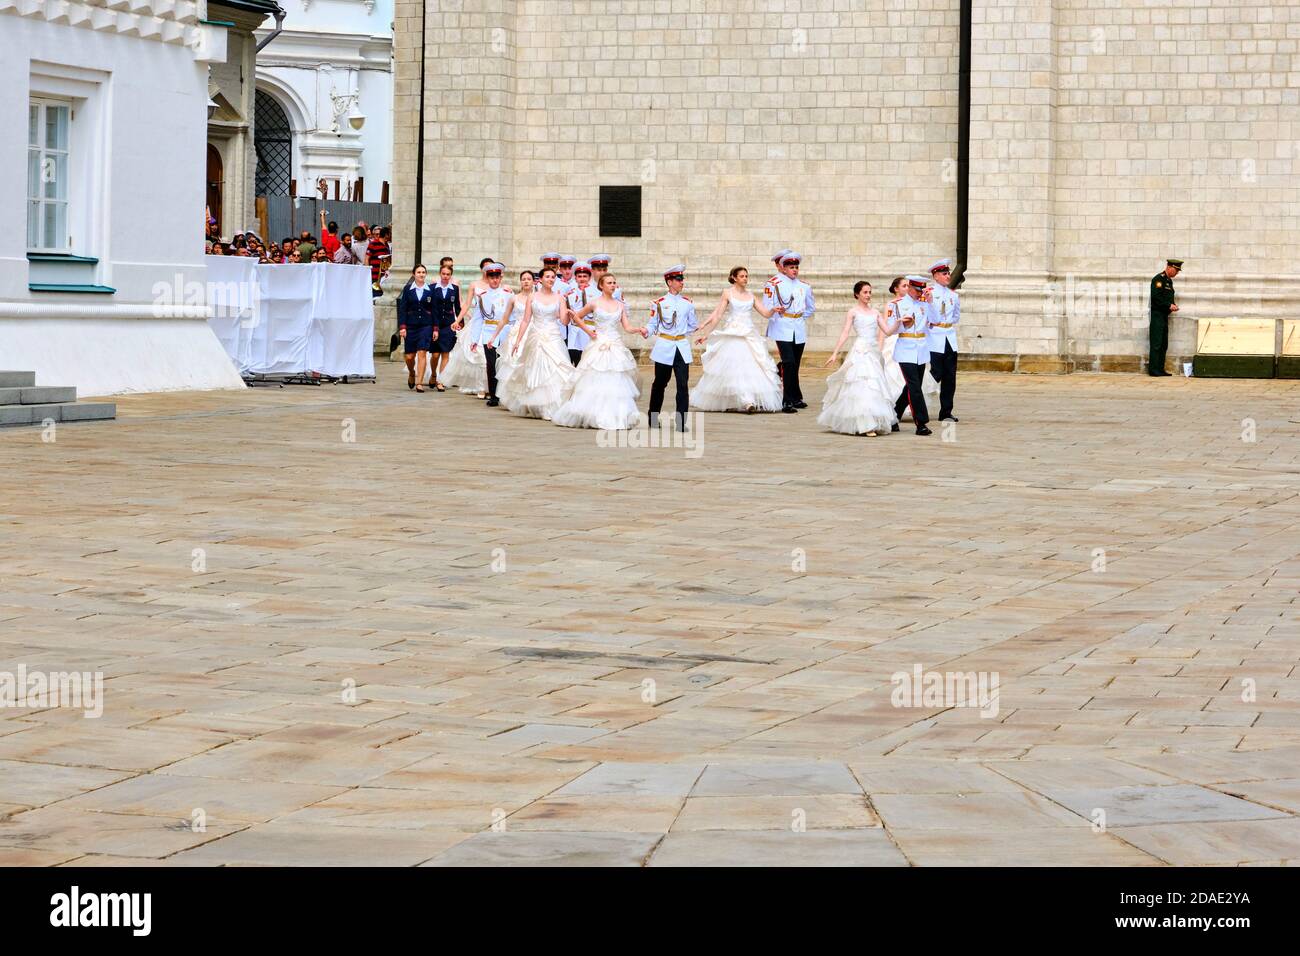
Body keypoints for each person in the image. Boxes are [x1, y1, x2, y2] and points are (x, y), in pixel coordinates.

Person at [552, 273, 648, 430]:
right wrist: (589, 332)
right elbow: (577, 318)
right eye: (609, 282)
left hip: (615, 343)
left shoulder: (620, 305)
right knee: (594, 376)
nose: (612, 285)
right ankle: (592, 413)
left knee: (616, 378)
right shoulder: (594, 303)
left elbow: (627, 327)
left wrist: (638, 329)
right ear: (601, 286)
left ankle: (615, 414)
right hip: (599, 342)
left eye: (614, 282)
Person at [691, 266, 783, 414]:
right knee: (734, 368)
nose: (745, 279)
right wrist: (706, 333)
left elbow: (765, 313)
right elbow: (718, 314)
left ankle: (749, 401)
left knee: (751, 367)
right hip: (733, 333)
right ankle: (744, 401)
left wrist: (773, 310)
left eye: (746, 276)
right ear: (734, 278)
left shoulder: (751, 295)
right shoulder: (728, 293)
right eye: (742, 276)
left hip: (748, 334)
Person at [819, 281, 899, 436]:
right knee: (860, 383)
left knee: (874, 385)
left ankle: (873, 422)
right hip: (860, 351)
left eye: (870, 292)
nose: (868, 295)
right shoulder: (853, 312)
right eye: (865, 292)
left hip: (873, 351)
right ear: (857, 294)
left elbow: (888, 331)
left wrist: (898, 323)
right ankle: (866, 425)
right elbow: (845, 333)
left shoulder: (875, 312)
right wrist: (835, 352)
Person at [505, 266, 577, 420]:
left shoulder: (560, 298)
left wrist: (569, 315)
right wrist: (517, 341)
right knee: (535, 369)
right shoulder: (532, 297)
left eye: (553, 277)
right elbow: (525, 320)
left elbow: (564, 321)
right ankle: (538, 405)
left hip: (553, 337)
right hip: (536, 336)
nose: (550, 279)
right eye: (548, 277)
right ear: (541, 279)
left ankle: (554, 406)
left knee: (555, 369)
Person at [645, 264, 699, 430]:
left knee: (683, 384)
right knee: (660, 383)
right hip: (664, 346)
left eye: (682, 279)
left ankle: (681, 422)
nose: (682, 282)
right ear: (669, 282)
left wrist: (687, 332)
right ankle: (653, 417)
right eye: (678, 279)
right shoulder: (659, 303)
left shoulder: (687, 303)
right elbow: (653, 324)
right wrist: (645, 331)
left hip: (681, 346)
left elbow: (692, 324)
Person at [764, 251, 814, 412]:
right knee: (789, 362)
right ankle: (786, 400)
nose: (794, 270)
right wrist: (779, 316)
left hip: (798, 327)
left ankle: (795, 396)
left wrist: (797, 317)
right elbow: (767, 306)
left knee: (795, 364)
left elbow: (810, 308)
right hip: (782, 326)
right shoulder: (774, 284)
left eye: (796, 267)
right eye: (791, 267)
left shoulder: (804, 286)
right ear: (783, 268)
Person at [891, 276, 933, 435]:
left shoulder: (924, 305)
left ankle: (893, 417)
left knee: (911, 386)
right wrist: (902, 323)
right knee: (915, 387)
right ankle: (921, 423)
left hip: (921, 350)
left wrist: (930, 302)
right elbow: (891, 330)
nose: (919, 293)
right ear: (909, 288)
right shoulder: (898, 305)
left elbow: (935, 320)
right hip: (905, 349)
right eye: (916, 290)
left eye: (921, 291)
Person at [468, 262, 514, 407]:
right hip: (488, 331)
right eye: (491, 277)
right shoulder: (482, 296)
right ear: (487, 278)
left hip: (504, 332)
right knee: (491, 364)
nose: (494, 280)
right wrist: (474, 339)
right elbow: (477, 318)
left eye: (497, 277)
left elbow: (513, 315)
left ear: (500, 278)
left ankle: (504, 393)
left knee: (503, 363)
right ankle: (493, 395)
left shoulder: (508, 294)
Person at [491, 270, 536, 410]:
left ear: (534, 281)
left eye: (529, 279)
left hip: (532, 331)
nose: (526, 281)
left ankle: (529, 397)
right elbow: (504, 318)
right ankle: (512, 398)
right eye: (524, 279)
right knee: (512, 362)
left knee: (530, 363)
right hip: (516, 331)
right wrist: (494, 336)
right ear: (520, 282)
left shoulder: (537, 297)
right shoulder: (514, 298)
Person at [925, 258, 961, 421]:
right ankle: (917, 403)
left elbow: (956, 316)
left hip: (949, 338)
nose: (948, 276)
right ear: (936, 276)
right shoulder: (929, 294)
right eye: (944, 274)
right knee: (934, 374)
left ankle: (946, 411)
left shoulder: (953, 295)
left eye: (948, 273)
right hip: (934, 338)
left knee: (950, 377)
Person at [398, 264, 437, 393]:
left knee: (422, 353)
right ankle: (411, 372)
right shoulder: (408, 289)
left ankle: (419, 383)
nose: (421, 274)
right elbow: (402, 309)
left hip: (426, 326)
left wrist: (435, 328)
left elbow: (434, 310)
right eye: (419, 272)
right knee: (409, 357)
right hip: (410, 326)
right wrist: (402, 327)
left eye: (423, 272)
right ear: (414, 274)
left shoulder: (431, 290)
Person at [423, 262, 460, 390]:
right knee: (435, 355)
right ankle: (433, 374)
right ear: (440, 274)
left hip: (448, 324)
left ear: (451, 275)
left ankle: (441, 380)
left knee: (446, 353)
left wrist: (460, 323)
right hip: (435, 324)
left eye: (448, 274)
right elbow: (427, 307)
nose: (445, 276)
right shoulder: (432, 288)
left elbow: (458, 307)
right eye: (443, 274)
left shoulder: (454, 289)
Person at [1149, 258, 1182, 376]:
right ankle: (1153, 370)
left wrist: (1172, 306)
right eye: (1176, 270)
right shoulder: (1158, 279)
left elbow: (1168, 297)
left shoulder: (1169, 281)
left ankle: (1160, 369)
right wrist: (1169, 305)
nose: (1177, 273)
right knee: (1157, 343)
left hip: (1164, 316)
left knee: (1163, 344)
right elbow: (1156, 298)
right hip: (1157, 315)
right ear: (1169, 267)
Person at [564, 260, 597, 365]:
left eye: (585, 276)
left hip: (589, 329)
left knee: (589, 360)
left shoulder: (597, 293)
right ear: (575, 278)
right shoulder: (570, 293)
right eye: (579, 276)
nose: (582, 279)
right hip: (575, 331)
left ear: (589, 278)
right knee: (576, 360)